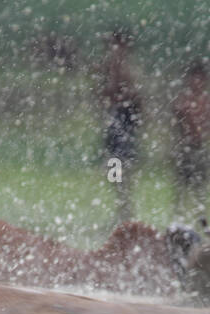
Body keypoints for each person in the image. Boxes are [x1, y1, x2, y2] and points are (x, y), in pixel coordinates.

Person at [95, 29, 143, 223]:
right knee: (116, 164)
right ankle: (122, 205)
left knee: (120, 163)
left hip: (122, 119)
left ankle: (124, 208)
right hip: (117, 119)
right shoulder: (111, 66)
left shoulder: (125, 68)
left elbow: (134, 97)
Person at [170, 59, 210, 223]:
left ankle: (200, 222)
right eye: (194, 78)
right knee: (182, 190)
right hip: (186, 149)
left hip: (200, 149)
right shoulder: (183, 102)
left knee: (200, 191)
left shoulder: (208, 102)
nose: (197, 82)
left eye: (200, 78)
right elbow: (179, 127)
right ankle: (179, 221)